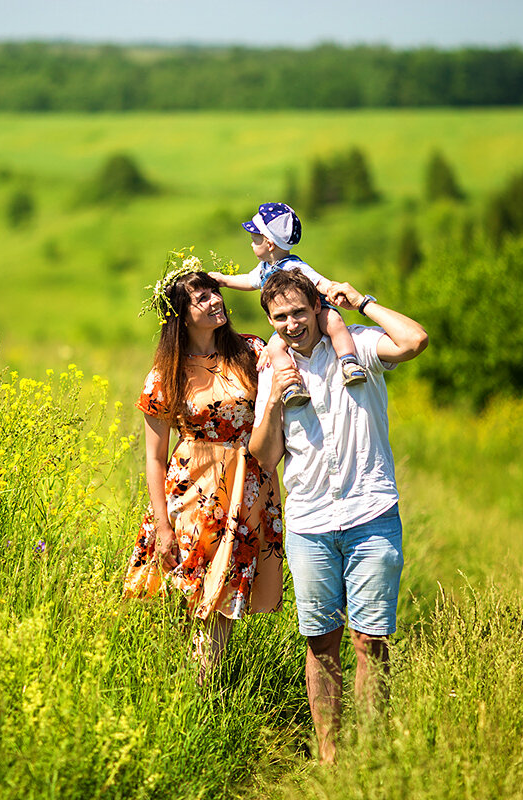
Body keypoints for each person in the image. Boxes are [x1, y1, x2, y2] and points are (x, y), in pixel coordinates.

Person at [248, 268, 428, 764]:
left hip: (371, 511)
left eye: (299, 312)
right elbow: (264, 456)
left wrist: (363, 301)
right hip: (310, 522)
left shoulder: (361, 346)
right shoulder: (273, 368)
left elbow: (415, 341)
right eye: (279, 317)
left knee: (370, 639)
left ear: (317, 310)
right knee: (320, 641)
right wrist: (274, 404)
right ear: (270, 320)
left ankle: (371, 753)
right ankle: (330, 757)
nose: (291, 324)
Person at [123, 257, 285, 683]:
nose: (216, 300)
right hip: (190, 491)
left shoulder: (251, 352)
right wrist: (161, 527)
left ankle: (202, 694)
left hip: (245, 488)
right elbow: (154, 457)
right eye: (202, 297)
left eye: (215, 291)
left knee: (224, 596)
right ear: (180, 314)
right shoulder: (165, 374)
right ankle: (176, 691)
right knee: (185, 595)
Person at [208, 202, 366, 408]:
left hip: (315, 311)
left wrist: (335, 291)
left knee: (335, 322)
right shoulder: (264, 269)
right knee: (273, 348)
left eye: (255, 240)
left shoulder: (295, 266)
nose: (251, 244)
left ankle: (349, 362)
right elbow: (249, 281)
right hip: (290, 321)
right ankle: (292, 384)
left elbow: (320, 282)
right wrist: (224, 280)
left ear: (269, 243)